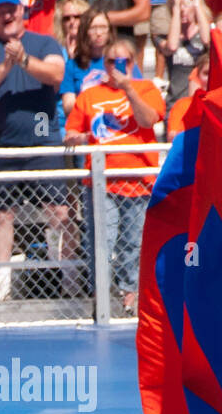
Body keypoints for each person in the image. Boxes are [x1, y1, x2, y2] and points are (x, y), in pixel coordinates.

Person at [0, 0, 66, 302]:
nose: (7, 14)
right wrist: (6, 65)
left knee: (58, 211)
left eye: (12, 9)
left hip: (41, 137)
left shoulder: (44, 42)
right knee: (0, 215)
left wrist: (23, 60)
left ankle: (65, 272)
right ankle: (2, 278)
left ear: (22, 11)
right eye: (0, 10)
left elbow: (56, 74)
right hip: (0, 142)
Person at [66, 37, 165, 314]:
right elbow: (70, 134)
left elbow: (148, 120)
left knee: (132, 242)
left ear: (133, 62)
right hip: (101, 181)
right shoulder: (90, 94)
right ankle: (100, 295)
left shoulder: (147, 89)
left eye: (124, 61)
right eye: (111, 61)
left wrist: (128, 89)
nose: (117, 66)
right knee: (102, 240)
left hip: (138, 179)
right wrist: (80, 136)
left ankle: (129, 293)